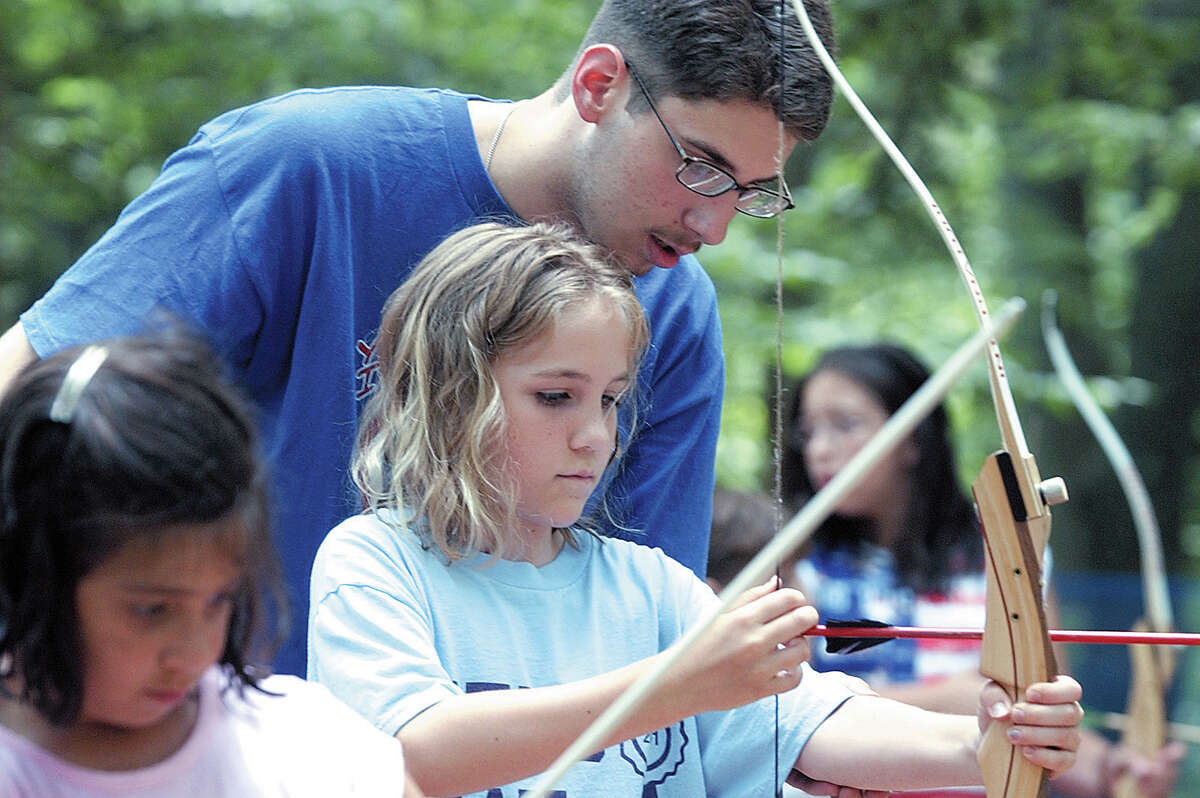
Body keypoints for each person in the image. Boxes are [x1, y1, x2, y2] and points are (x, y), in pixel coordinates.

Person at [0, 0, 842, 676]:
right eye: (700, 165)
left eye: (752, 192)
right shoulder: (309, 165)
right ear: (598, 85)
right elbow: (35, 392)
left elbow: (651, 642)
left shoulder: (677, 311)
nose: (714, 226)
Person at [307, 221, 1085, 798]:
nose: (595, 435)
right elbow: (410, 749)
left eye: (611, 399)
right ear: (450, 394)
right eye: (555, 396)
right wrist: (676, 684)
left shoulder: (649, 588)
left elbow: (817, 724)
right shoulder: (375, 562)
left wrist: (994, 743)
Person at [0, 333, 520, 798]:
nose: (194, 652)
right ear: (34, 576)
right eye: (152, 610)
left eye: (220, 600)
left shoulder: (312, 740)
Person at [709, 343, 1184, 798]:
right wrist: (959, 697)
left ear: (913, 437)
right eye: (808, 431)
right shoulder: (788, 556)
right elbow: (761, 709)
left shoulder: (1004, 551)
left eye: (845, 424)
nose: (819, 448)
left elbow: (1036, 718)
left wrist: (1114, 770)